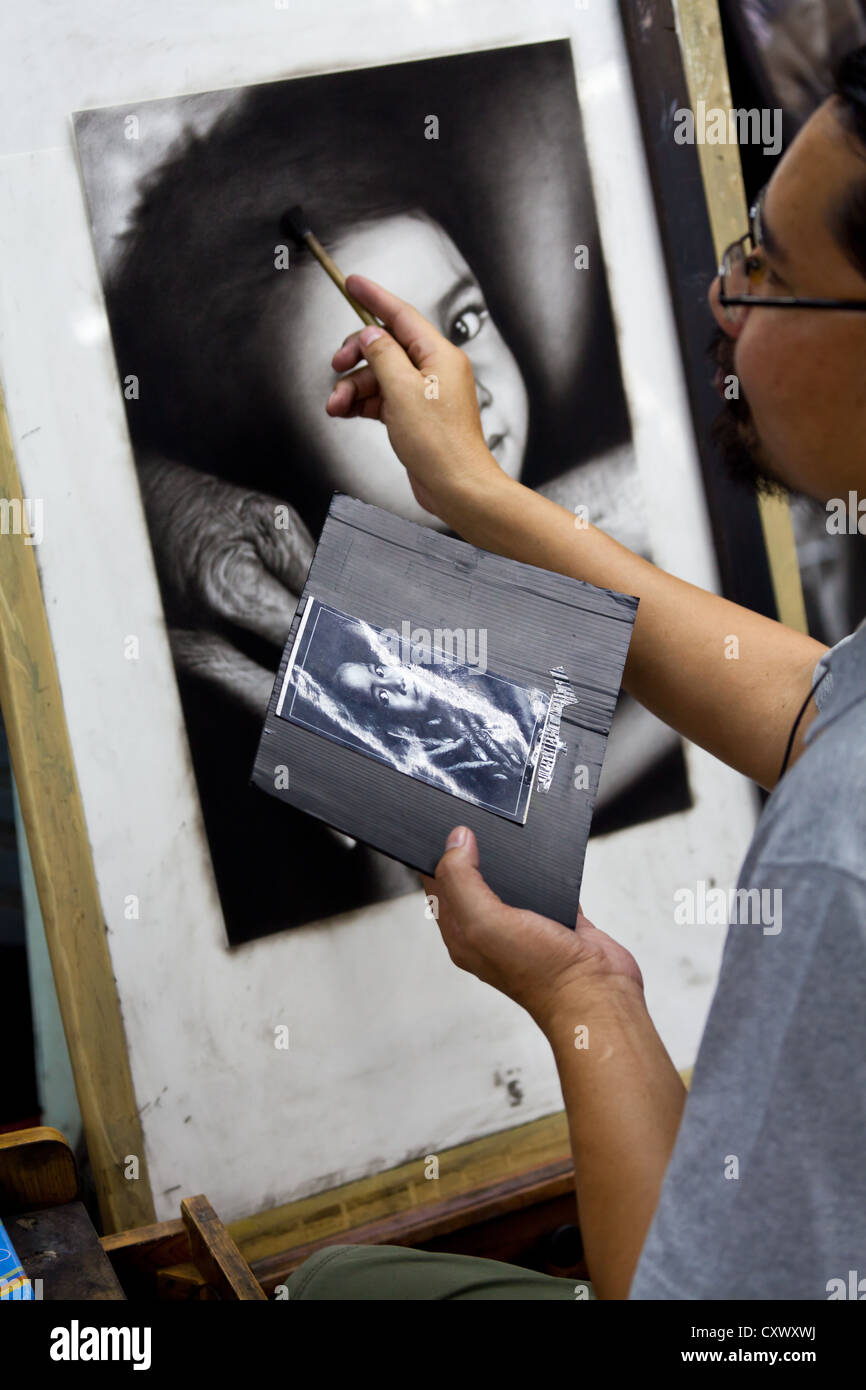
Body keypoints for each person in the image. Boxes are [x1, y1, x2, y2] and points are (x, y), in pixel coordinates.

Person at [286, 46, 866, 1299]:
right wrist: (482, 499)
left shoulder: (836, 862)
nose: (723, 299)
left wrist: (582, 996)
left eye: (766, 268)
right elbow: (820, 704)